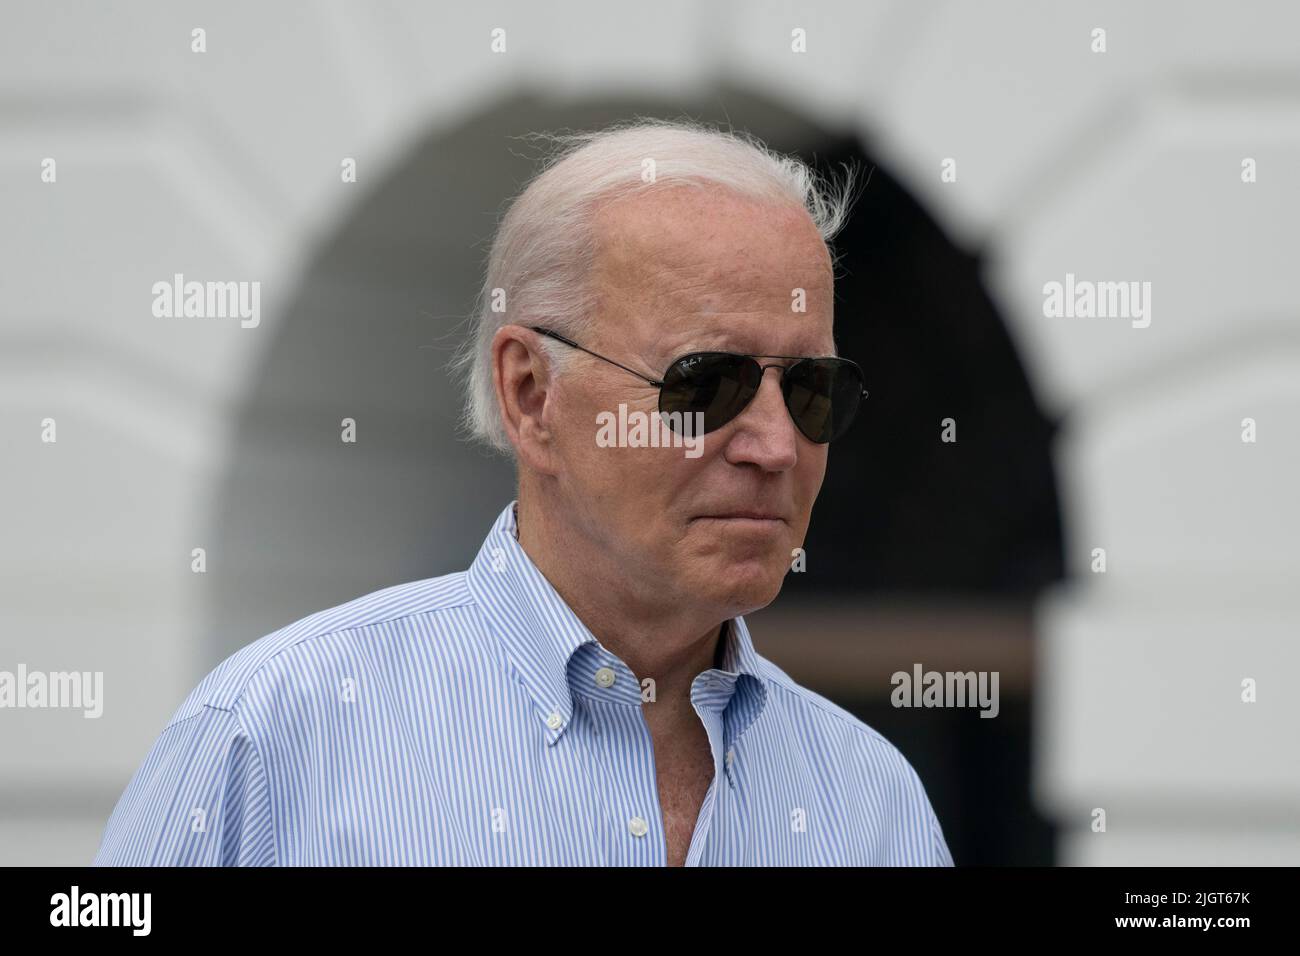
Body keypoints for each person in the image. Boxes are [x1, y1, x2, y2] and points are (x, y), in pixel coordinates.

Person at [93, 119, 953, 866]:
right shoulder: (277, 735)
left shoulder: (871, 803)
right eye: (706, 384)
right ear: (531, 395)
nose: (775, 445)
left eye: (812, 390)